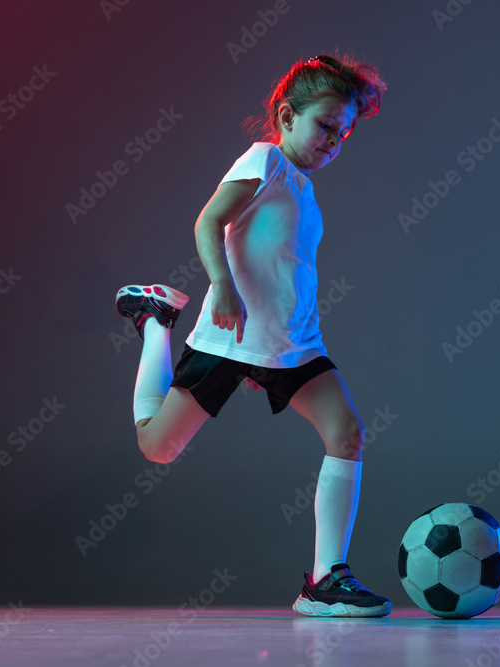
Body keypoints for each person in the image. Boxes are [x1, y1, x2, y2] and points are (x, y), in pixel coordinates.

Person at [114, 54, 389, 618]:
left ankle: (324, 581)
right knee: (157, 448)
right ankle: (154, 325)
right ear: (287, 115)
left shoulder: (305, 189)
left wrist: (278, 350)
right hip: (227, 338)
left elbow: (284, 268)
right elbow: (208, 222)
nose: (333, 142)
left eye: (343, 135)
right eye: (324, 127)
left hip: (292, 347)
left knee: (348, 434)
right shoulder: (264, 160)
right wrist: (222, 285)